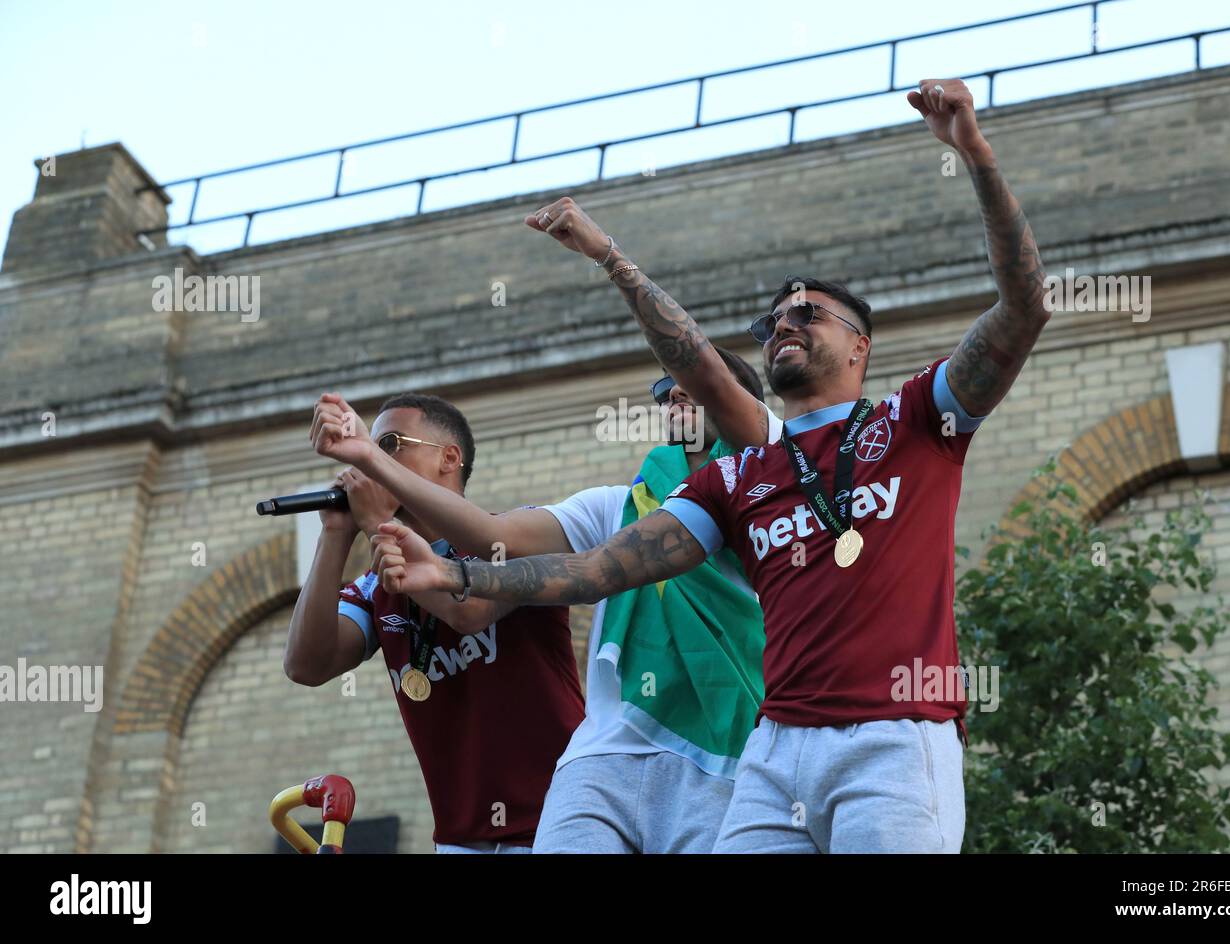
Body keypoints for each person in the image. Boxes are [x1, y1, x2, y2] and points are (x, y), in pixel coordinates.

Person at [365, 78, 1050, 853]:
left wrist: (975, 155)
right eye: (775, 319)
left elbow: (1024, 305)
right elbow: (596, 571)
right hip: (775, 754)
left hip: (892, 739)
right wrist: (454, 578)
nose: (786, 323)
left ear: (861, 347)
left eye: (809, 313)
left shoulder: (918, 418)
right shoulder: (734, 477)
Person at [310, 204, 784, 852]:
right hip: (610, 752)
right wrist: (366, 482)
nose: (676, 395)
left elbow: (473, 607)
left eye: (694, 386)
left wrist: (609, 257)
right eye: (666, 390)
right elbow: (488, 536)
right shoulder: (616, 507)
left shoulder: (770, 482)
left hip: (722, 746)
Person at [285, 393, 584, 853]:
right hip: (462, 839)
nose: (370, 461)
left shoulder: (514, 538)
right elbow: (306, 664)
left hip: (566, 817)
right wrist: (335, 533)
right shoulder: (374, 586)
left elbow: (467, 612)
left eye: (388, 444)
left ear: (449, 458)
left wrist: (378, 523)